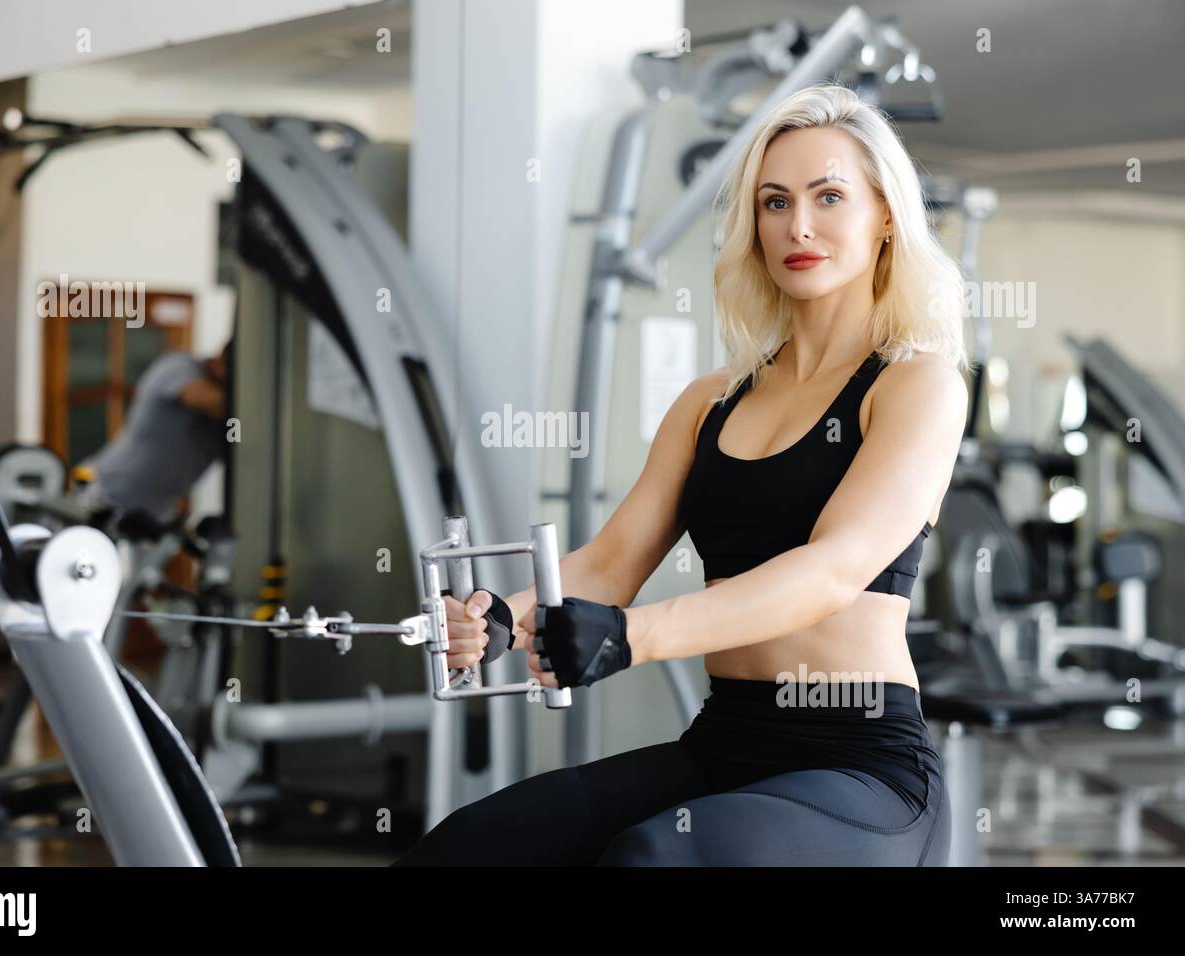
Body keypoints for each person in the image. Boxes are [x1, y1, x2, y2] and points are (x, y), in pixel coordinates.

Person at [394, 83, 968, 866]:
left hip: (859, 764)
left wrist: (632, 637)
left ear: (886, 220)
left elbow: (832, 571)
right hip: (724, 745)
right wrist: (503, 617)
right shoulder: (711, 402)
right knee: (470, 847)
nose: (798, 224)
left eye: (829, 196)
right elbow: (608, 564)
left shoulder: (916, 384)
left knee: (657, 861)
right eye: (774, 202)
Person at [72, 344, 229, 524]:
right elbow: (206, 399)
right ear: (219, 363)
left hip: (151, 514)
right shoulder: (179, 367)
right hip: (100, 491)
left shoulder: (227, 420)